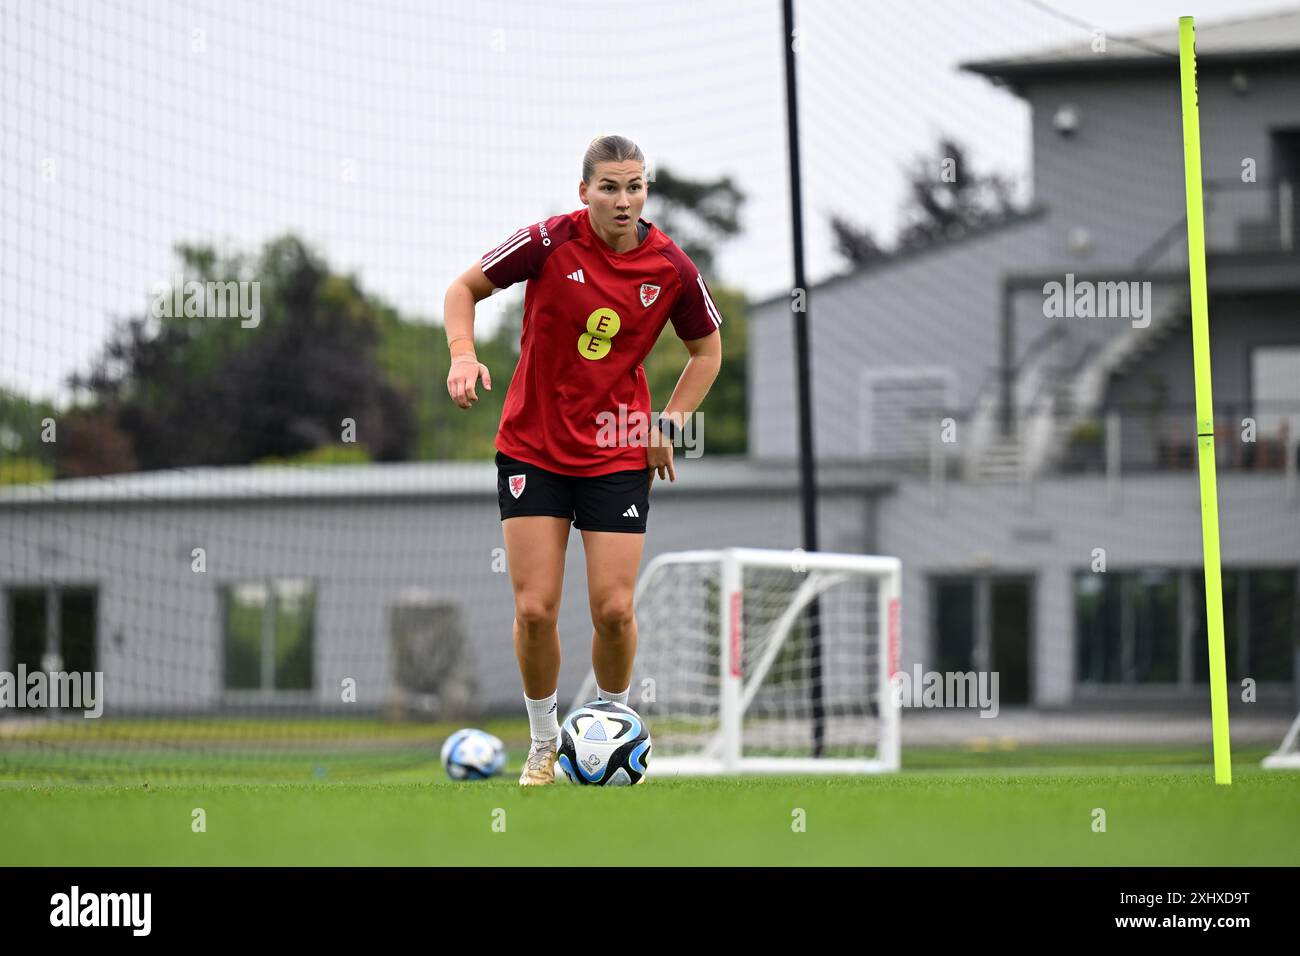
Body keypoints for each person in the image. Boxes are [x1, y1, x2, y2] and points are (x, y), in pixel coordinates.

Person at [442, 134, 723, 784]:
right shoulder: (548, 242)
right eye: (610, 187)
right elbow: (463, 288)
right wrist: (462, 353)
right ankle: (543, 744)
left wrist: (669, 422)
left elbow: (706, 352)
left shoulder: (671, 268)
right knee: (535, 609)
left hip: (617, 451)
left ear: (645, 191)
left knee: (614, 610)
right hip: (532, 448)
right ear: (584, 192)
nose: (624, 200)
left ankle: (612, 730)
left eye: (635, 186)